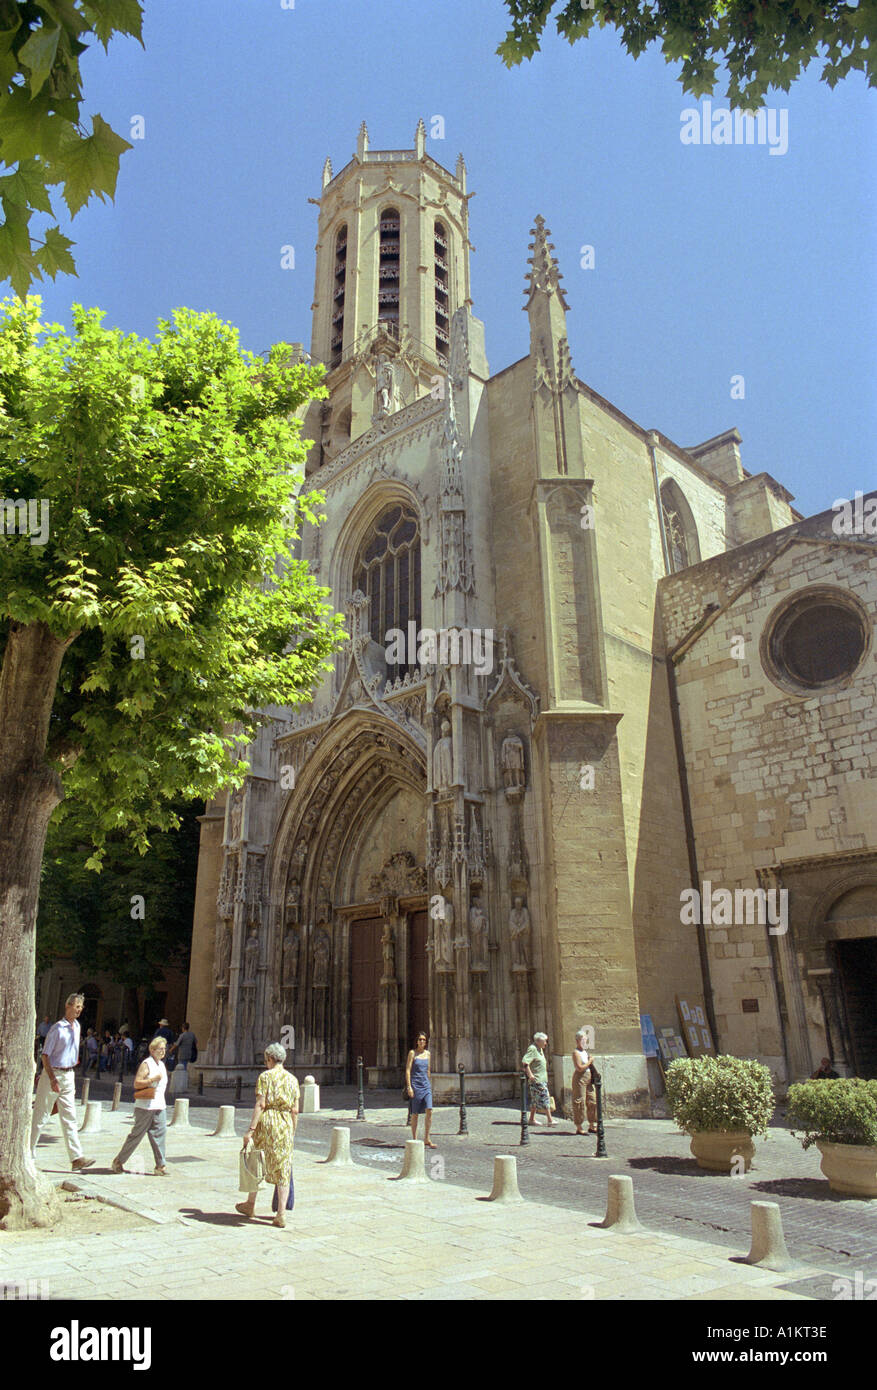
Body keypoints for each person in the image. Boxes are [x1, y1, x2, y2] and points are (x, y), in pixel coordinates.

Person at [236, 1042, 299, 1228]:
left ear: (270, 1059)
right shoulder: (293, 1080)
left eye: (266, 1060)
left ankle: (250, 1204)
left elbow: (261, 1105)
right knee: (283, 1168)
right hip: (285, 1123)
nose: (266, 1063)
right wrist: (292, 1131)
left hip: (268, 1122)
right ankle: (280, 1214)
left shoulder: (265, 1077)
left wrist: (251, 1130)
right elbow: (295, 1110)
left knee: (257, 1161)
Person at [30, 993, 96, 1171]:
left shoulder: (78, 1027)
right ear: (68, 1006)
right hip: (55, 1073)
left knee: (70, 1117)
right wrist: (51, 1078)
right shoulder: (57, 1028)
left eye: (81, 1008)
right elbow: (45, 1055)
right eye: (76, 1007)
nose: (79, 1010)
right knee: (41, 1115)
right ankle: (29, 1154)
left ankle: (76, 1158)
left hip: (69, 1074)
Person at [111, 1037, 169, 1176]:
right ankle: (118, 1161)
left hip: (160, 1104)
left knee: (160, 1134)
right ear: (152, 1050)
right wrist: (152, 1079)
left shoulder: (161, 1064)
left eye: (164, 1049)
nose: (163, 1051)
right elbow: (137, 1083)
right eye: (160, 1049)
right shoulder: (146, 1063)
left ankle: (160, 1166)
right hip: (145, 1106)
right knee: (137, 1135)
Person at [405, 1032, 435, 1147]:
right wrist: (409, 1087)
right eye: (420, 1039)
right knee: (415, 1113)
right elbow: (408, 1070)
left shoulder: (428, 1054)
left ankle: (427, 1138)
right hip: (415, 1085)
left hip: (426, 1085)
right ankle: (415, 1139)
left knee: (429, 1110)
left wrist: (429, 1084)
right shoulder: (412, 1053)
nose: (422, 1041)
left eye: (424, 1040)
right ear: (417, 1041)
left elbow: (428, 1070)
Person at [522, 1031, 555, 1127]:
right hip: (537, 1080)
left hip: (542, 1079)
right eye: (545, 1041)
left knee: (535, 1100)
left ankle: (531, 1119)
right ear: (538, 1041)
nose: (546, 1043)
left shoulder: (539, 1049)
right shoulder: (533, 1049)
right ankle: (550, 1120)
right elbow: (525, 1062)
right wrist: (530, 1075)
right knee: (545, 1098)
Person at [571, 1028, 598, 1135]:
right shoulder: (576, 1052)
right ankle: (579, 1126)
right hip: (580, 1078)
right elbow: (579, 1068)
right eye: (582, 1040)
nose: (584, 1042)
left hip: (588, 1077)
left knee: (592, 1101)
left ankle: (592, 1124)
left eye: (585, 1041)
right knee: (579, 1101)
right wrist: (590, 1061)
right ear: (577, 1041)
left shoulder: (585, 1052)